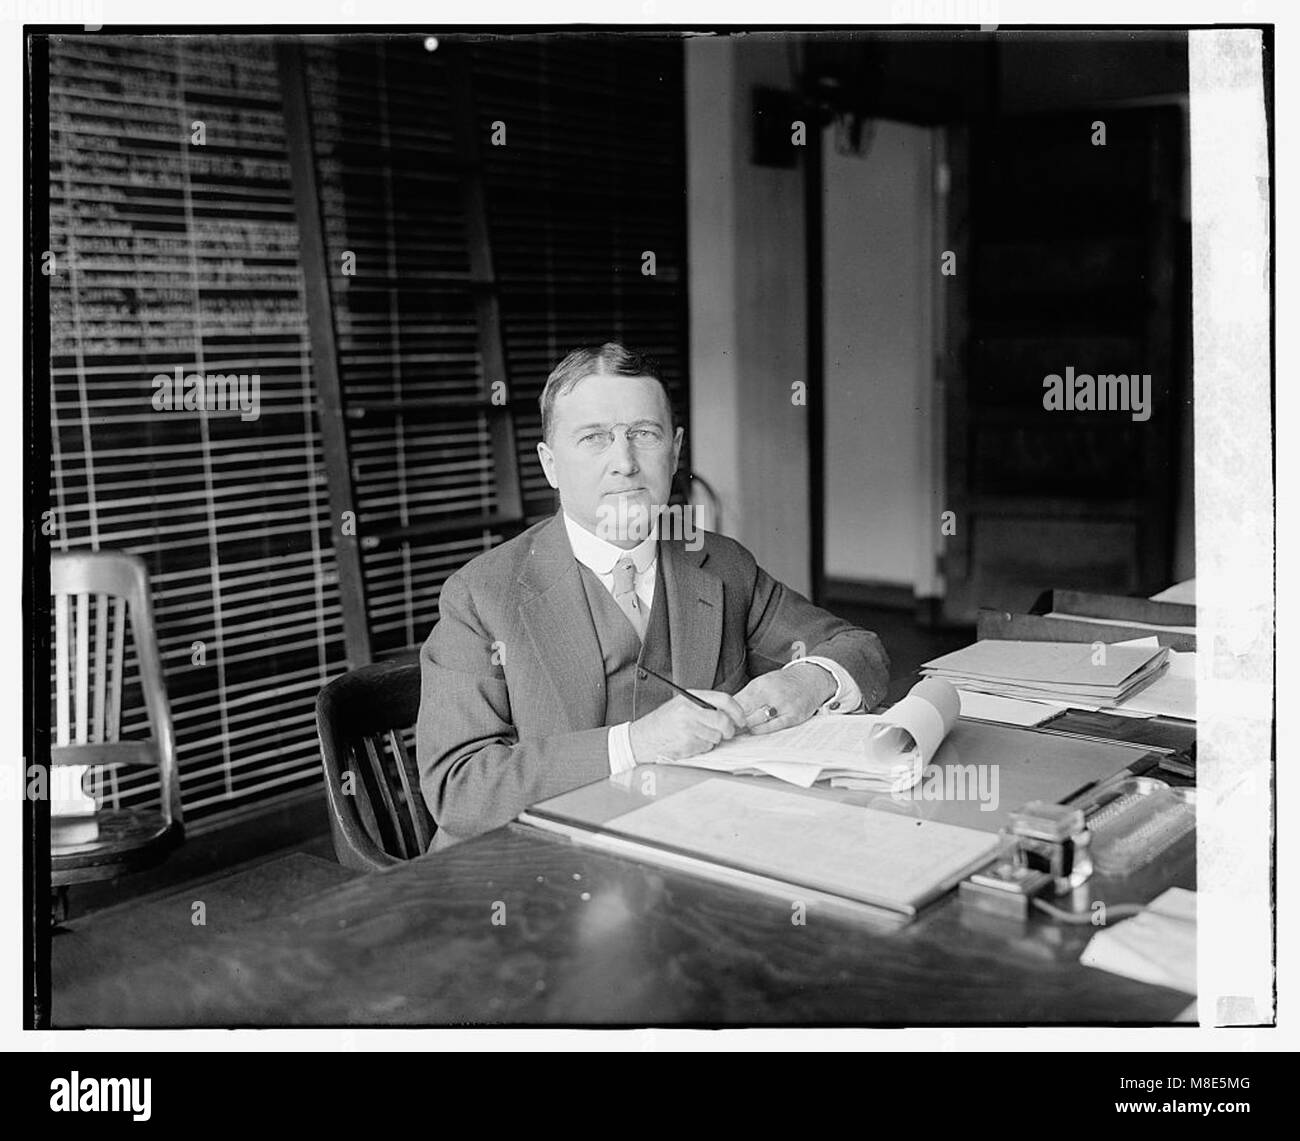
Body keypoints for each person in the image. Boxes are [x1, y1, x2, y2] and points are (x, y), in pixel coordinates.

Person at [416, 343, 890, 849]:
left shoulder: (721, 564)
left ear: (675, 449)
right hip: (533, 869)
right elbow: (458, 787)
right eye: (594, 438)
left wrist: (809, 681)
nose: (624, 462)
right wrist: (635, 743)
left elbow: (858, 648)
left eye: (644, 434)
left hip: (695, 845)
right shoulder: (482, 594)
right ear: (551, 465)